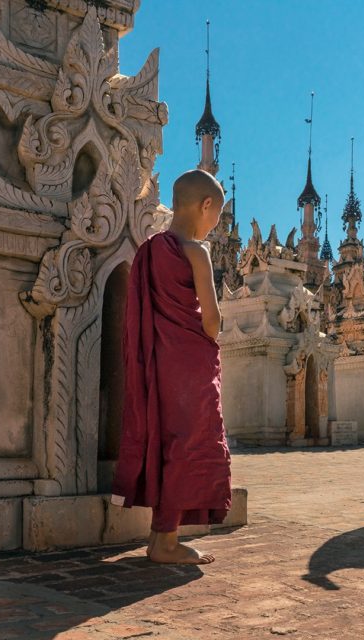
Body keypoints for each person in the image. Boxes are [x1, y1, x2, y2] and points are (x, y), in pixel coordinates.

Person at [111, 169, 232, 564]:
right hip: (190, 367)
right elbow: (211, 320)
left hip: (158, 365)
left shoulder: (149, 249)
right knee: (190, 443)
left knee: (166, 440)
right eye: (218, 215)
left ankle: (159, 535)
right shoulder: (196, 252)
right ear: (206, 205)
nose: (216, 224)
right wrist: (216, 329)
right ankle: (165, 542)